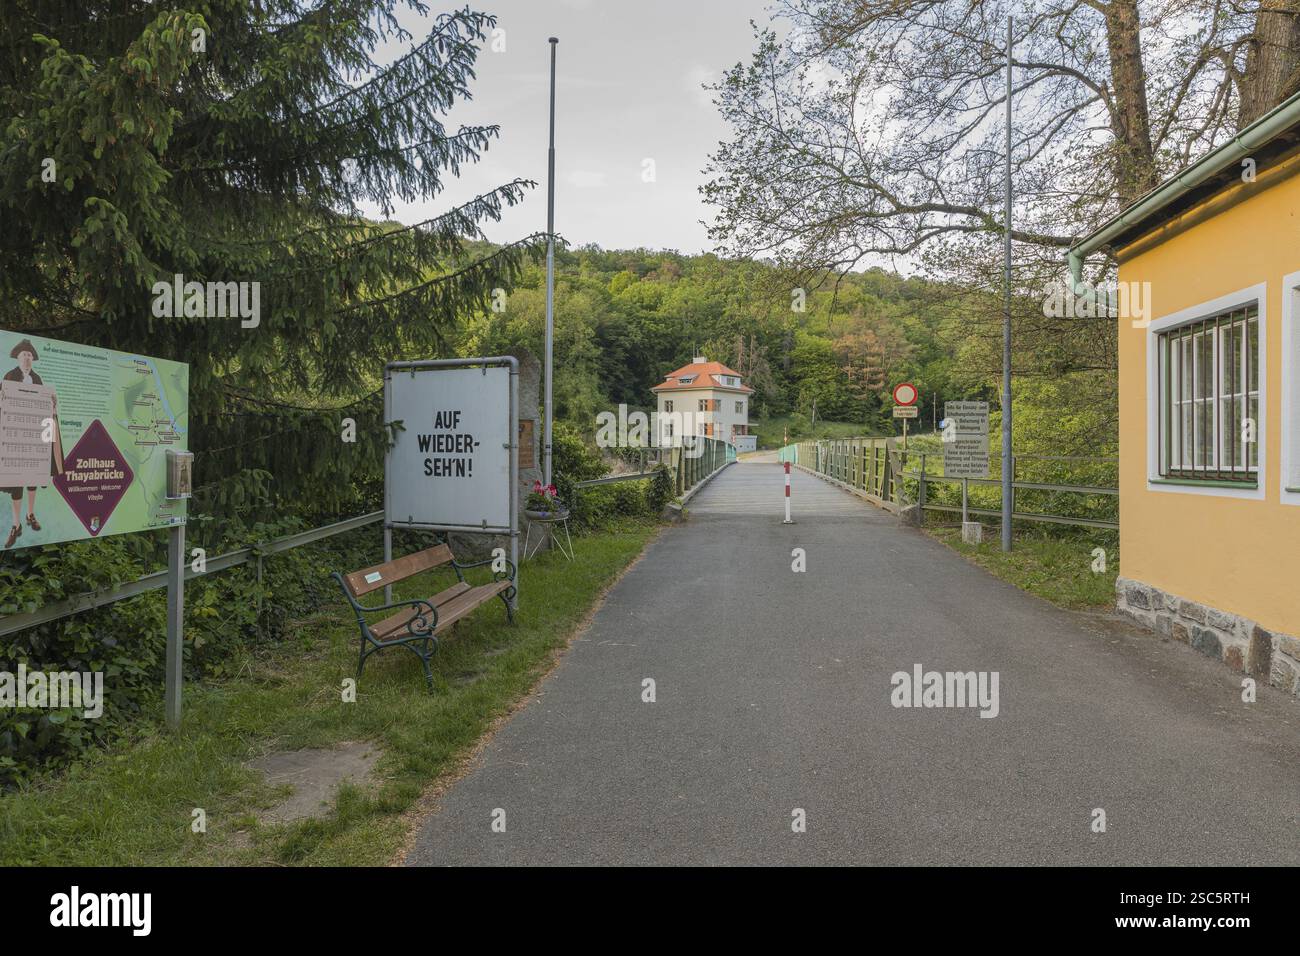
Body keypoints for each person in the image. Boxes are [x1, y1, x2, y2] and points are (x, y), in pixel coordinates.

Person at [3, 339, 58, 548]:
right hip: (16, 434)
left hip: (36, 433)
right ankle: (16, 525)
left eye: (29, 355)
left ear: (32, 359)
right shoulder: (9, 377)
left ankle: (30, 514)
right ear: (18, 357)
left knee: (34, 474)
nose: (27, 357)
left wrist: (53, 403)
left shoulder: (37, 379)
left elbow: (44, 407)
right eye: (23, 354)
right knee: (17, 479)